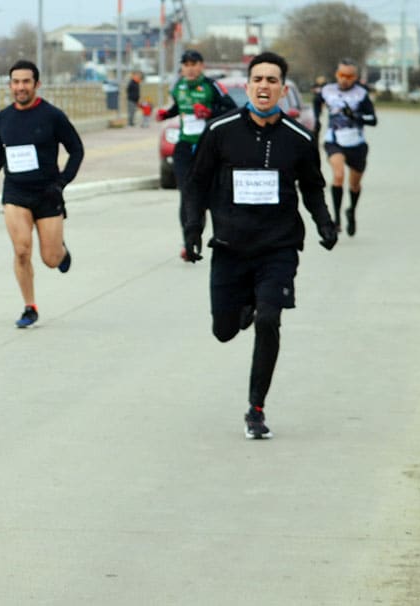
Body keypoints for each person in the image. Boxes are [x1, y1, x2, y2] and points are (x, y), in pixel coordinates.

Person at [181, 51, 337, 439]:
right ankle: (244, 304)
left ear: (283, 89)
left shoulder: (299, 138)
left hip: (278, 247)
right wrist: (193, 228)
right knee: (223, 331)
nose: (264, 86)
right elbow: (197, 184)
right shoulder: (220, 130)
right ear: (248, 86)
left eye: (272, 80)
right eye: (257, 79)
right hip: (230, 245)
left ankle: (256, 408)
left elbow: (312, 187)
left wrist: (324, 222)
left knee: (269, 320)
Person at [0, 59, 84, 328]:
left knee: (51, 259)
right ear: (10, 85)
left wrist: (62, 183)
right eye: (16, 82)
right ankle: (29, 306)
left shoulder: (52, 115)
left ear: (36, 84)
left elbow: (76, 150)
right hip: (15, 193)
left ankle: (61, 251)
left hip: (47, 193)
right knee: (22, 250)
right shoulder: (3, 118)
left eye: (26, 82)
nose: (20, 87)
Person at [155, 49, 237, 260]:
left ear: (201, 66)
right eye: (186, 65)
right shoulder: (178, 86)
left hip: (208, 147)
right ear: (182, 68)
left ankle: (222, 237)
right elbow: (179, 107)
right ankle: (189, 241)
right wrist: (167, 114)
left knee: (212, 194)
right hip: (184, 147)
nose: (190, 69)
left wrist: (210, 113)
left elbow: (231, 109)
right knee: (187, 194)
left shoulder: (212, 86)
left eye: (194, 64)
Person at [312, 59, 377, 236]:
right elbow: (316, 102)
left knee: (354, 185)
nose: (345, 79)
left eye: (349, 76)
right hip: (334, 140)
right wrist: (317, 119)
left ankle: (351, 212)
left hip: (356, 143)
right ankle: (337, 220)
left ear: (355, 77)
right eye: (342, 75)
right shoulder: (327, 90)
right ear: (336, 74)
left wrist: (356, 117)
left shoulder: (361, 94)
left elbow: (373, 120)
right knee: (338, 176)